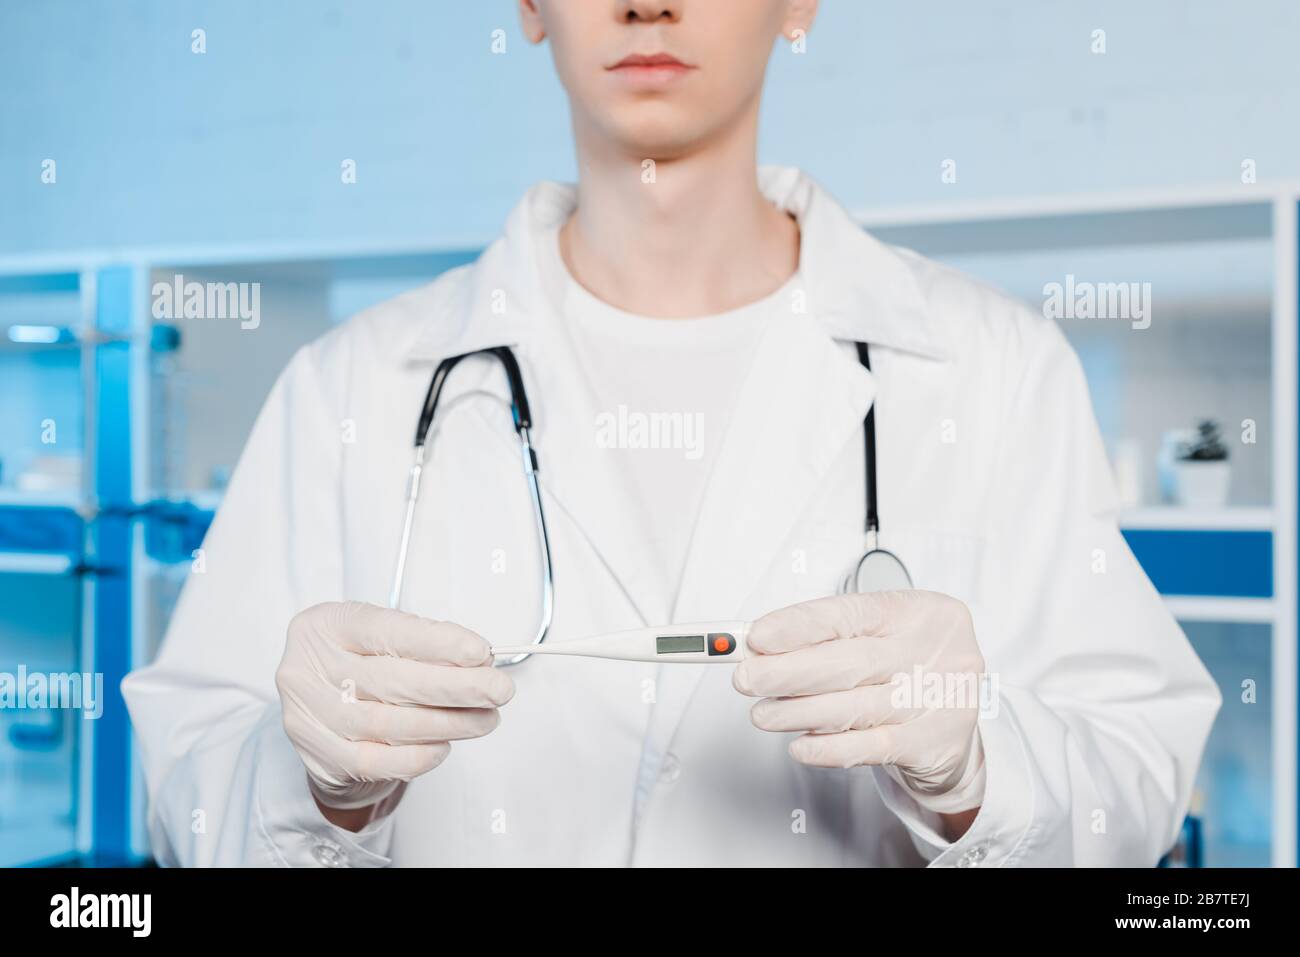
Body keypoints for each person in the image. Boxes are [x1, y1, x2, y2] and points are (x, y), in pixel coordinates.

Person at [123, 0, 1220, 867]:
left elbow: (1135, 777)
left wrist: (979, 766)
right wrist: (312, 784)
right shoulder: (349, 386)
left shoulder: (993, 372)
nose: (649, 3)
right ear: (530, 3)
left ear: (801, 2)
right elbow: (189, 798)